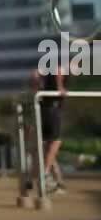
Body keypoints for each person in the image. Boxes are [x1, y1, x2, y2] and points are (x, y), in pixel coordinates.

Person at [31, 63, 68, 193]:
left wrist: (36, 88)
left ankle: (55, 181)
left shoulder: (45, 69)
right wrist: (60, 87)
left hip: (43, 108)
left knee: (47, 147)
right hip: (52, 107)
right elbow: (59, 70)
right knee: (55, 142)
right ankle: (44, 176)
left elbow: (35, 73)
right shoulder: (66, 64)